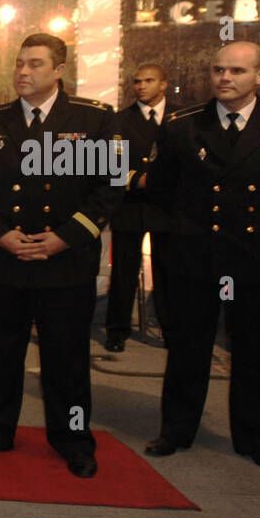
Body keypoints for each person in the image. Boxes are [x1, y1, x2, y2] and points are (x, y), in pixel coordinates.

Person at [0, 33, 121, 477]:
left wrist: (65, 237)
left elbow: (112, 186)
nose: (23, 73)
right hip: (7, 258)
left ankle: (74, 440)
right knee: (1, 352)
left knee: (66, 358)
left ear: (59, 70)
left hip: (65, 261)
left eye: (34, 64)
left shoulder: (96, 120)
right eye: (18, 64)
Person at [144, 41, 260, 471]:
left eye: (237, 71)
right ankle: (176, 430)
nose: (224, 78)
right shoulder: (183, 126)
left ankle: (253, 437)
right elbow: (161, 190)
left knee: (255, 351)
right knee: (187, 347)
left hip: (255, 258)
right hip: (197, 256)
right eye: (219, 70)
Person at [104, 64, 180, 351]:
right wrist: (138, 179)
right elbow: (110, 166)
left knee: (168, 271)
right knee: (123, 271)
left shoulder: (181, 118)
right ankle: (117, 330)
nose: (141, 86)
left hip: (168, 208)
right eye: (137, 81)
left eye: (149, 80)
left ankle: (172, 327)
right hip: (130, 205)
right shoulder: (120, 121)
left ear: (163, 84)